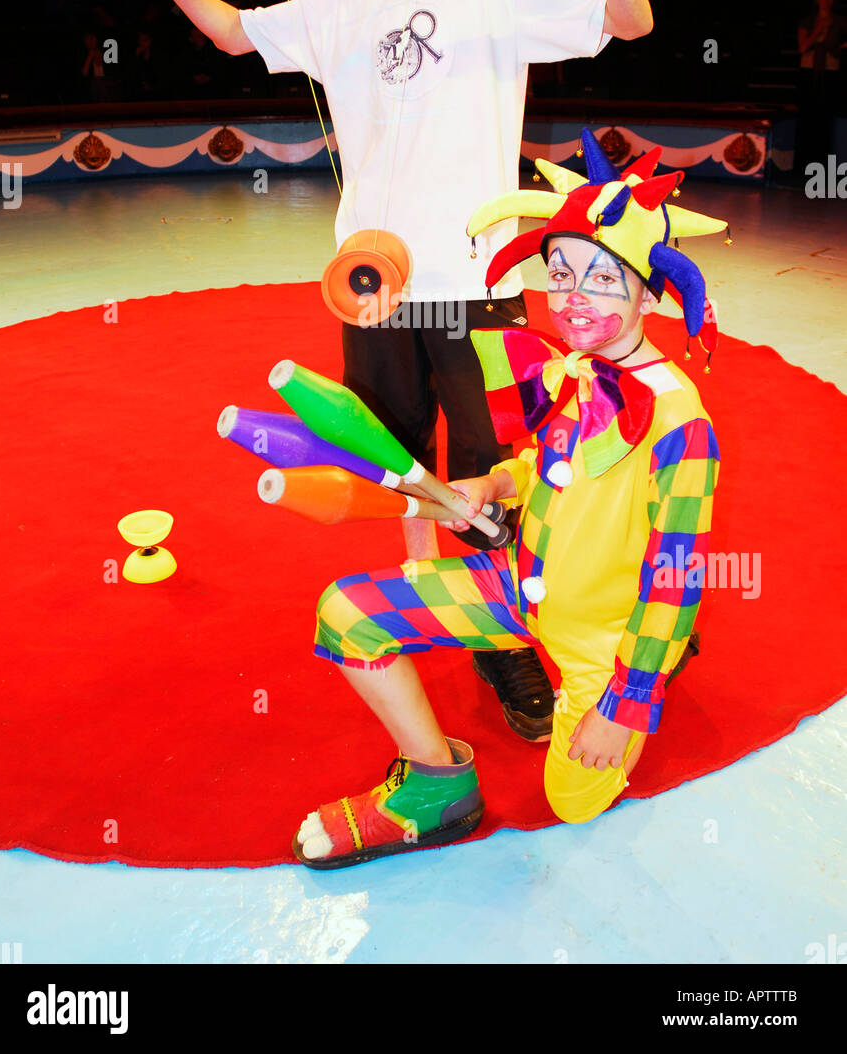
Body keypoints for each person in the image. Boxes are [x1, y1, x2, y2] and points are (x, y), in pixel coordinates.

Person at [131, 0, 653, 743]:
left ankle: (505, 640)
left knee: (495, 473)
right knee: (404, 468)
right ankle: (431, 603)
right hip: (375, 287)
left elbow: (632, 19)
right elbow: (233, 34)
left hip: (478, 277)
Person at [293, 130, 727, 867]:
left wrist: (625, 708)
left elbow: (676, 578)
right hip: (518, 587)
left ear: (651, 291)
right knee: (347, 617)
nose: (573, 299)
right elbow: (542, 463)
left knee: (575, 799)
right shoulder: (580, 370)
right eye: (561, 275)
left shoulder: (683, 423)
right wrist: (498, 481)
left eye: (601, 278)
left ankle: (658, 662)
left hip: (603, 632)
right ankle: (438, 787)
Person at [795, 0, 847, 179]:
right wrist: (819, 28)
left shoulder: (840, 22)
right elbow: (803, 47)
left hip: (830, 72)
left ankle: (823, 167)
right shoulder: (808, 22)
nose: (828, 0)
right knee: (807, 118)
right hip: (809, 72)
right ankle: (803, 166)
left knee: (825, 120)